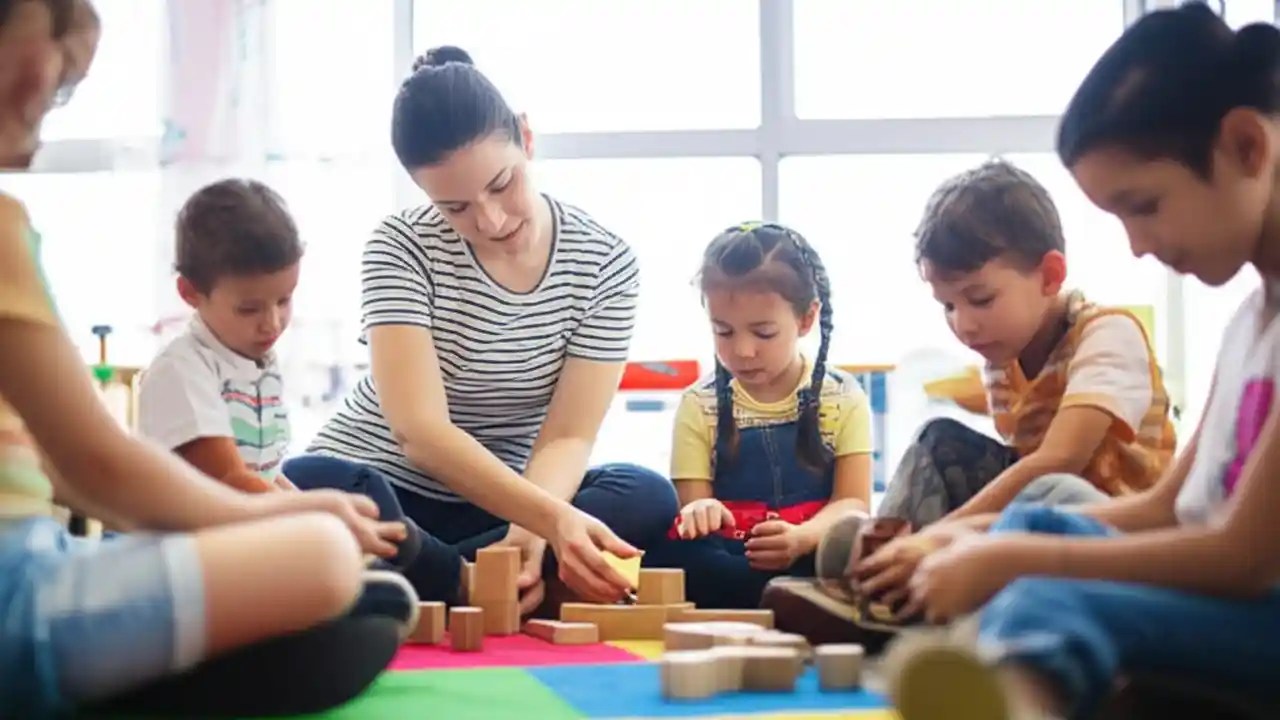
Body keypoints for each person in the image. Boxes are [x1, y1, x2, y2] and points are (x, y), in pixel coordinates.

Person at [0, 2, 408, 717]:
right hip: (21, 595)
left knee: (341, 518)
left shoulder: (254, 364)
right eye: (53, 58)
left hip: (46, 563)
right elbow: (105, 471)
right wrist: (301, 515)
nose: (271, 324)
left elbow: (69, 476)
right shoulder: (176, 360)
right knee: (324, 558)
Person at [883, 4, 1280, 719]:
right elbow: (1166, 509)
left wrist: (1013, 562)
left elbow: (1242, 558)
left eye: (1146, 205)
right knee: (1034, 525)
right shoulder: (1251, 323)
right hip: (1234, 592)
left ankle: (1018, 697)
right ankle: (990, 647)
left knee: (1039, 582)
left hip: (1260, 606)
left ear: (1247, 147)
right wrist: (962, 536)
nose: (1136, 244)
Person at [291, 45, 677, 614]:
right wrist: (549, 522)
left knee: (642, 495)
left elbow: (568, 437)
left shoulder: (605, 262)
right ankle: (470, 579)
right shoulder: (399, 246)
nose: (490, 221)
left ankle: (435, 578)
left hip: (506, 503)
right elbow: (419, 432)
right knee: (309, 483)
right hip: (385, 490)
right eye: (455, 208)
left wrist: (532, 530)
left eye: (502, 185)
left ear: (526, 137)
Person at [137, 178, 429, 581]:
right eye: (249, 308)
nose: (272, 323)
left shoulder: (255, 361)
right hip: (192, 562)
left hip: (248, 537)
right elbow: (231, 482)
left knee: (363, 527)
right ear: (190, 293)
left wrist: (317, 511)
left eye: (284, 300)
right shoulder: (182, 371)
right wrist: (320, 516)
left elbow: (266, 474)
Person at [877, 158, 1177, 534]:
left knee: (1053, 488)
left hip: (1119, 525)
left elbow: (1060, 459)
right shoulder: (1003, 355)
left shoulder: (1108, 334)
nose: (963, 325)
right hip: (1041, 516)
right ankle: (880, 558)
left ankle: (908, 561)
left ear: (1050, 276)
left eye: (982, 299)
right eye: (948, 306)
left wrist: (942, 535)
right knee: (940, 442)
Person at [642, 222, 872, 609]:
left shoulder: (842, 395)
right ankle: (789, 604)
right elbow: (693, 506)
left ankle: (784, 599)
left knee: (861, 549)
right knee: (671, 560)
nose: (743, 351)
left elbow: (853, 502)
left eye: (763, 333)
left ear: (806, 319)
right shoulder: (699, 404)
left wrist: (802, 537)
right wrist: (702, 511)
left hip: (808, 549)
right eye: (724, 332)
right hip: (732, 556)